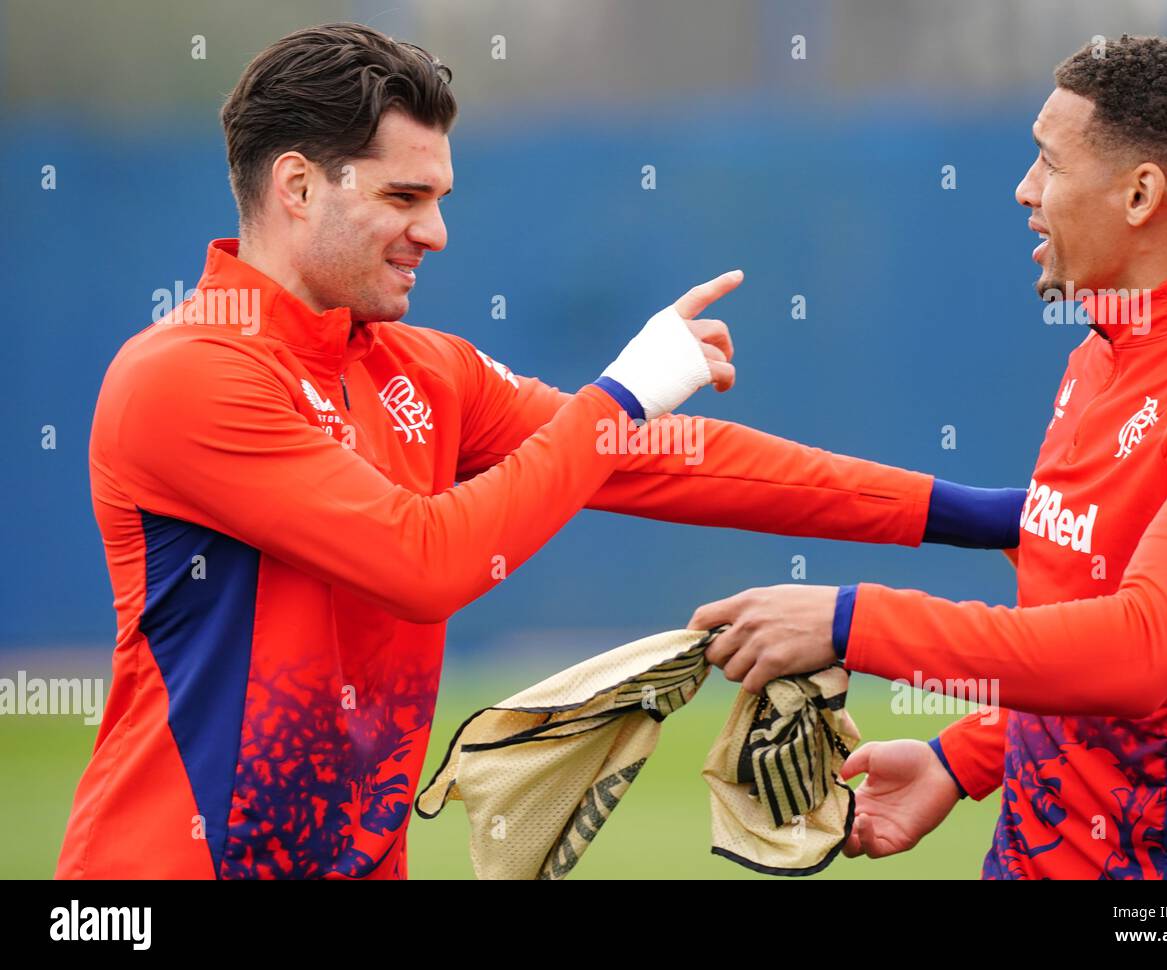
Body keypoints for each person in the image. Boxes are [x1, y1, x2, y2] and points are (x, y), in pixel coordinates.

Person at [56, 22, 939, 879]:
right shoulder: (187, 373)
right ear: (297, 185)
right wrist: (620, 396)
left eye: (440, 199)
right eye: (404, 198)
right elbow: (423, 560)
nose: (435, 232)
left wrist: (996, 517)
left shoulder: (422, 369)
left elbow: (669, 458)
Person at [692, 35, 1167, 879]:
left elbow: (1141, 649)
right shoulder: (1104, 351)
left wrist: (847, 621)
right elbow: (1077, 597)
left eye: (1049, 163)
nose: (1025, 189)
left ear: (1140, 193)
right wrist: (966, 757)